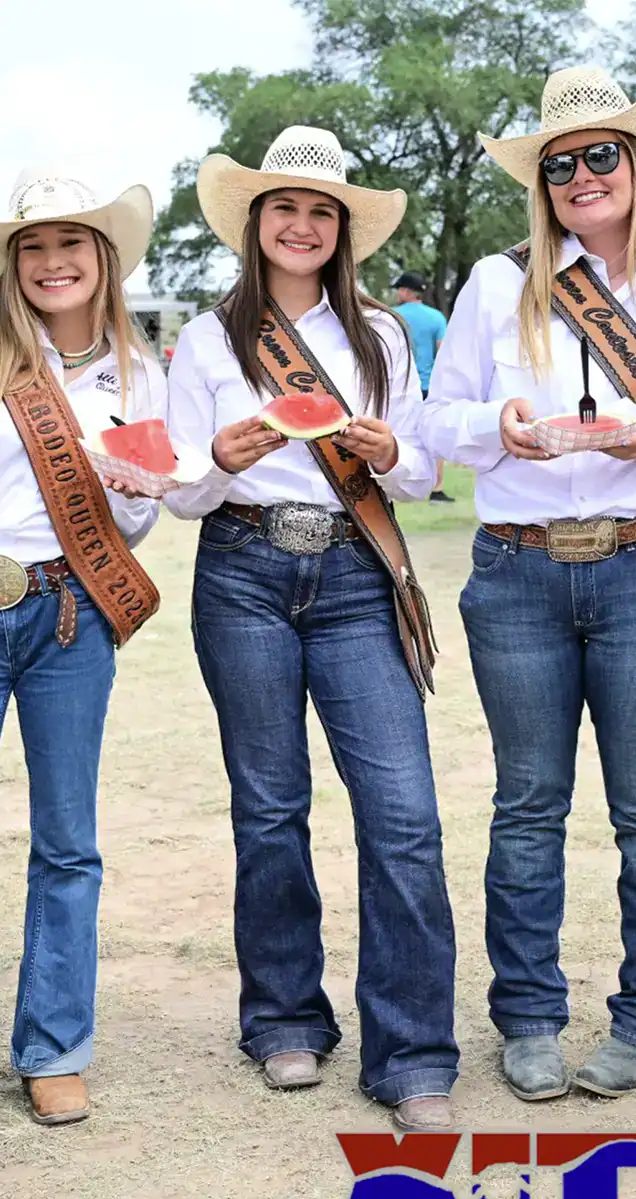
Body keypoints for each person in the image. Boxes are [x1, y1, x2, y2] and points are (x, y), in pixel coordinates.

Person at [426, 67, 636, 1102]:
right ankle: (527, 1016)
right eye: (559, 164)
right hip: (517, 569)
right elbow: (437, 421)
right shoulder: (491, 283)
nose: (579, 175)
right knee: (526, 806)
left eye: (601, 155)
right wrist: (493, 429)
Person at [166, 126, 459, 1132]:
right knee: (270, 805)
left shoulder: (379, 335)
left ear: (342, 230)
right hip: (242, 570)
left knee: (403, 815)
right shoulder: (209, 338)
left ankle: (412, 1047)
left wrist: (389, 450)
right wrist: (220, 456)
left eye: (321, 211)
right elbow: (179, 491)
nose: (302, 224)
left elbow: (419, 469)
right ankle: (285, 1017)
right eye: (284, 208)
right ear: (257, 225)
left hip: (353, 573)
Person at [0, 170, 185, 1140]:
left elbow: (134, 520)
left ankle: (55, 1046)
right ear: (13, 262)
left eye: (73, 245)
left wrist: (133, 490)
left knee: (68, 845)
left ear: (105, 259)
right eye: (35, 246)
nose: (54, 262)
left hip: (68, 615)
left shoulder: (138, 369)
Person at [392, 270, 456, 500]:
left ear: (407, 292)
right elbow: (443, 351)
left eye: (399, 289)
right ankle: (436, 488)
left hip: (396, 385)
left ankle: (391, 484)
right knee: (432, 436)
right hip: (427, 384)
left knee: (394, 433)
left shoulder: (390, 315)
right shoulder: (436, 317)